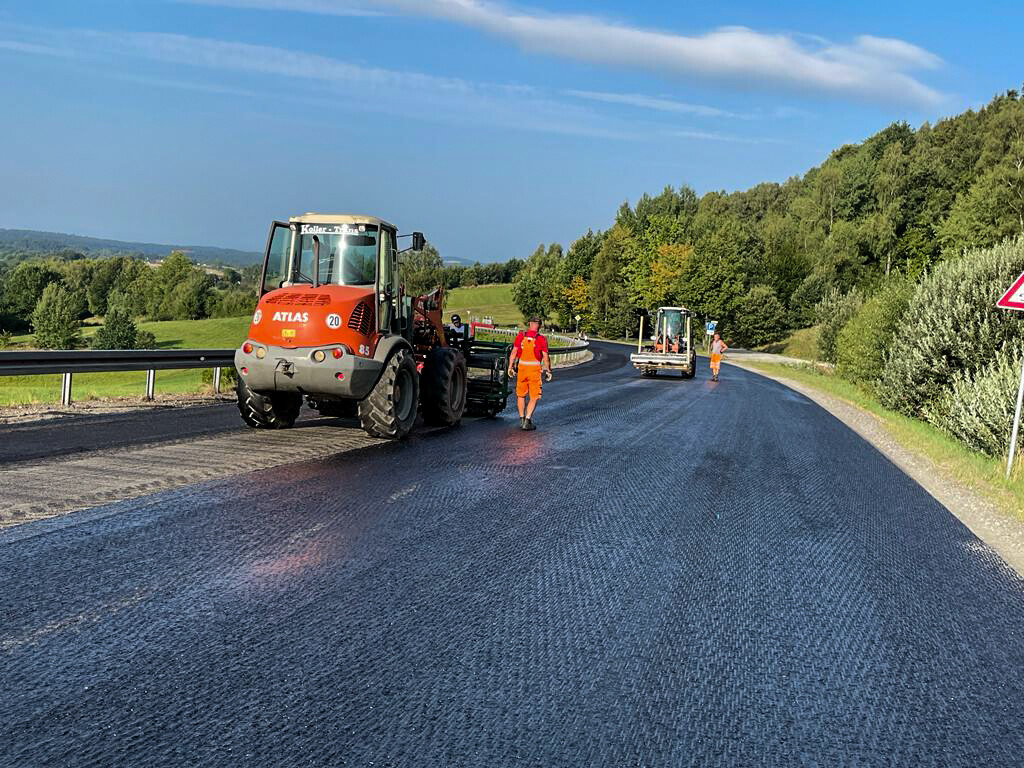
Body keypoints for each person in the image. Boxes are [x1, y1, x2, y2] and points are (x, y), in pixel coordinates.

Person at [508, 315, 552, 431]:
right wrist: (548, 370)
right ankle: (527, 421)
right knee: (534, 396)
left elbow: (513, 353)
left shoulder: (521, 336)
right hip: (534, 371)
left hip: (522, 369)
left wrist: (510, 367)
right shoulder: (541, 339)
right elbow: (546, 357)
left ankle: (521, 419)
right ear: (539, 326)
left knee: (521, 395)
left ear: (530, 324)